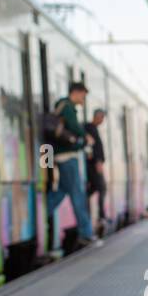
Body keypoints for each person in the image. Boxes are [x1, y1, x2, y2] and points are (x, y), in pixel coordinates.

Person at [47, 82, 99, 251]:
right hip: (67, 157)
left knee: (62, 191)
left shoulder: (63, 106)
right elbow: (75, 127)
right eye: (83, 95)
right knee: (78, 194)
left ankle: (41, 216)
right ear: (76, 92)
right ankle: (86, 234)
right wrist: (86, 137)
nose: (84, 99)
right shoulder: (67, 107)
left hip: (63, 156)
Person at [84, 108, 108, 237]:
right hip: (93, 165)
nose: (102, 121)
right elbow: (92, 147)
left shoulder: (92, 128)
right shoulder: (89, 128)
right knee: (101, 187)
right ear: (97, 116)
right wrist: (98, 161)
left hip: (94, 164)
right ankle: (101, 217)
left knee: (95, 189)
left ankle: (99, 217)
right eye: (101, 118)